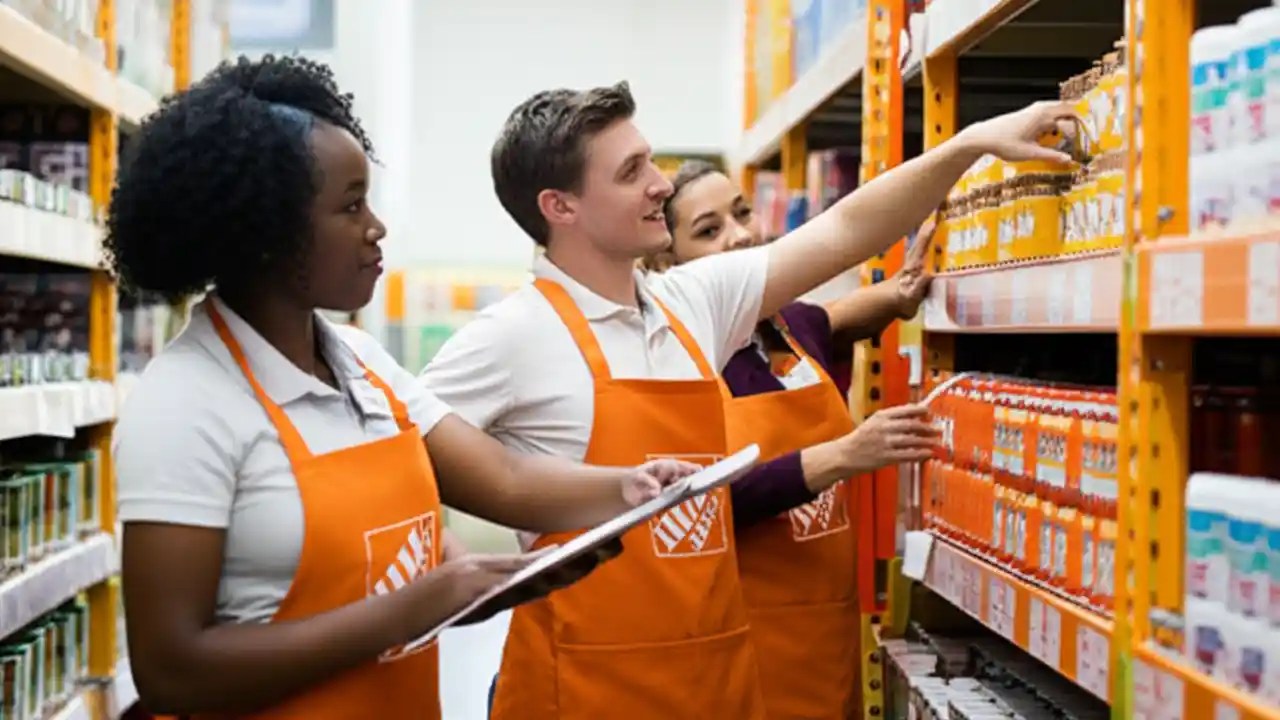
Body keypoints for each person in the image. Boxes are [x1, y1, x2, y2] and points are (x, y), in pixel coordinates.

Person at [420, 80, 1075, 719]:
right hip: (589, 691)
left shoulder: (691, 305)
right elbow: (398, 446)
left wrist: (968, 146)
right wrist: (455, 566)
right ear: (560, 207)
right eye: (631, 172)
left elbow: (845, 229)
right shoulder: (513, 337)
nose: (660, 185)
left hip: (716, 683)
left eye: (651, 161)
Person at [107, 56, 702, 720]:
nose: (377, 227)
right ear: (267, 232)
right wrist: (412, 608)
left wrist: (633, 488)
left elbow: (501, 478)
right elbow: (172, 671)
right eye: (350, 205)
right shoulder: (185, 404)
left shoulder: (362, 364)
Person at [646, 159, 935, 718]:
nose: (741, 236)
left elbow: (838, 319)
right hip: (746, 638)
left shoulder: (790, 328)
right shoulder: (677, 359)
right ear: (666, 262)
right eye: (709, 231)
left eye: (742, 213)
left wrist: (901, 294)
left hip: (827, 632)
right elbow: (701, 501)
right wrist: (843, 455)